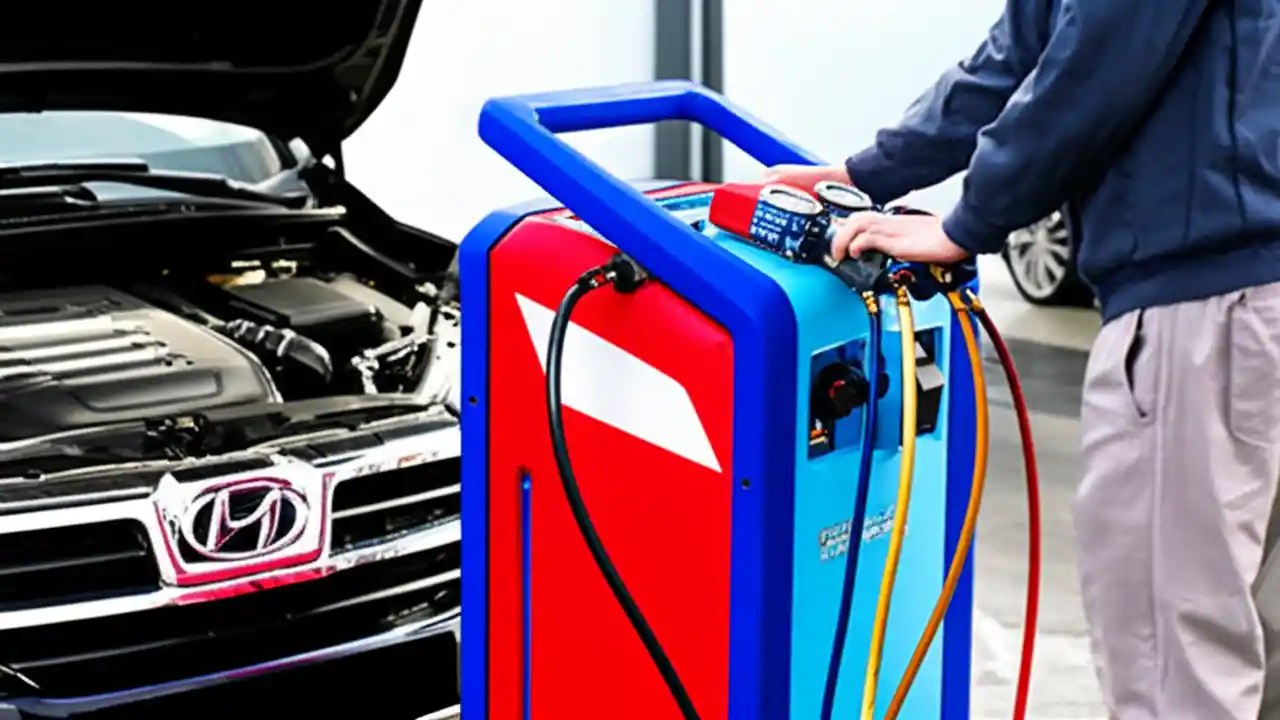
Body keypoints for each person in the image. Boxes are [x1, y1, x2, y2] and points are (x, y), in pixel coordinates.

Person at [764, 1, 1280, 717]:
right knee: (1249, 633)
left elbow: (1095, 58)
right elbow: (1016, 57)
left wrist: (970, 221)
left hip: (1207, 306)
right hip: (1242, 293)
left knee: (1172, 660)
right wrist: (867, 173)